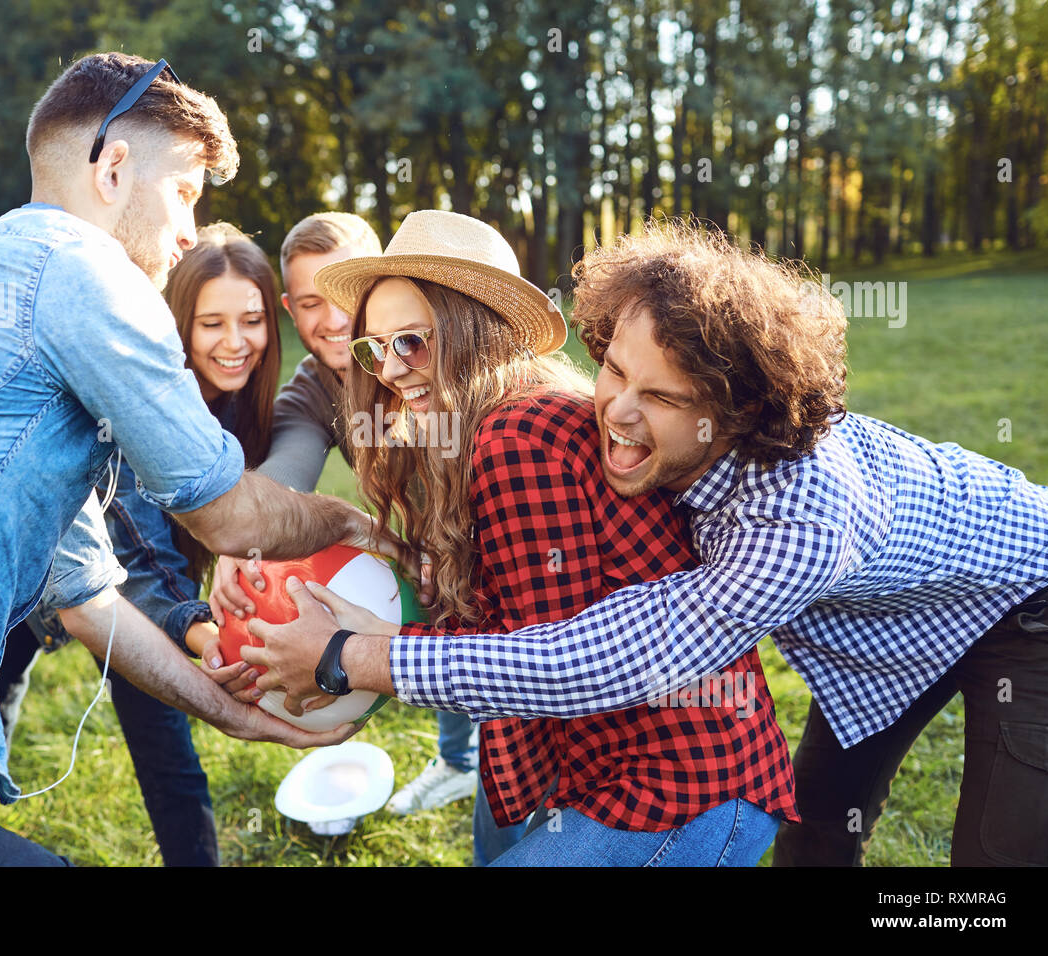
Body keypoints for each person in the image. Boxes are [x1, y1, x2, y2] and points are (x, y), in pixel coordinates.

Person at [246, 217, 1048, 867]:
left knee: (996, 861)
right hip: (891, 621)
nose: (616, 413)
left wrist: (353, 656)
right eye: (613, 371)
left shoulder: (799, 520)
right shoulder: (599, 434)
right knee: (816, 838)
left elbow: (605, 656)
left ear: (733, 412)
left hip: (1027, 609)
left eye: (660, 396)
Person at [0, 53, 402, 867]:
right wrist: (352, 523)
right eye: (183, 193)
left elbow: (90, 601)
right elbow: (230, 513)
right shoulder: (82, 273)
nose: (189, 231)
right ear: (115, 166)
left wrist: (228, 710)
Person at [253, 210, 798, 865]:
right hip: (599, 765)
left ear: (472, 330)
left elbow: (533, 670)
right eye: (375, 347)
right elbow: (511, 626)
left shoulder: (516, 438)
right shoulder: (489, 418)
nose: (391, 369)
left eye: (413, 341)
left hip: (677, 787)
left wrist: (348, 653)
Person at [0, 222, 283, 866]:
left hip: (124, 601)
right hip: (46, 584)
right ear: (179, 322)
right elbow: (143, 563)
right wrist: (217, 644)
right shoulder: (137, 404)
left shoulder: (242, 407)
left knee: (165, 751)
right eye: (212, 324)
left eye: (252, 320)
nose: (236, 343)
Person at [203, 213, 484, 824]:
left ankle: (493, 768)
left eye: (343, 297)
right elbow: (289, 466)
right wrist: (244, 529)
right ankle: (460, 763)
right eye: (310, 302)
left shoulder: (426, 355)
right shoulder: (313, 388)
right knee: (440, 620)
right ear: (289, 308)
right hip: (426, 539)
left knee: (488, 648)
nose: (331, 320)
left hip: (491, 525)